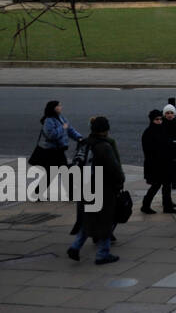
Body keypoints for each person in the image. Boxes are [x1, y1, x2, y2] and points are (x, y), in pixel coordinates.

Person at [67, 116, 123, 265]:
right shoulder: (104, 147)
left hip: (84, 186)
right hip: (101, 187)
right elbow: (114, 168)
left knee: (88, 218)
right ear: (105, 130)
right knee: (105, 220)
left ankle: (75, 246)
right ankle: (102, 254)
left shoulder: (84, 144)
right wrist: (120, 182)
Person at [33, 100, 84, 181]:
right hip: (53, 151)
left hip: (59, 150)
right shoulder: (48, 120)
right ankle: (72, 192)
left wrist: (79, 138)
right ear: (54, 108)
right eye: (59, 106)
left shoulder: (61, 118)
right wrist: (62, 128)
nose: (61, 107)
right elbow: (51, 135)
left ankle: (37, 192)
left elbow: (70, 129)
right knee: (65, 174)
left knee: (52, 175)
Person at [141, 109, 176, 213]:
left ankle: (167, 206)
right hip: (155, 164)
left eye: (160, 119)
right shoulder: (149, 133)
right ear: (152, 120)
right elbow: (150, 150)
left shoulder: (161, 130)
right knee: (156, 185)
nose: (159, 121)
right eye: (157, 119)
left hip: (164, 163)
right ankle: (146, 205)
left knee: (166, 185)